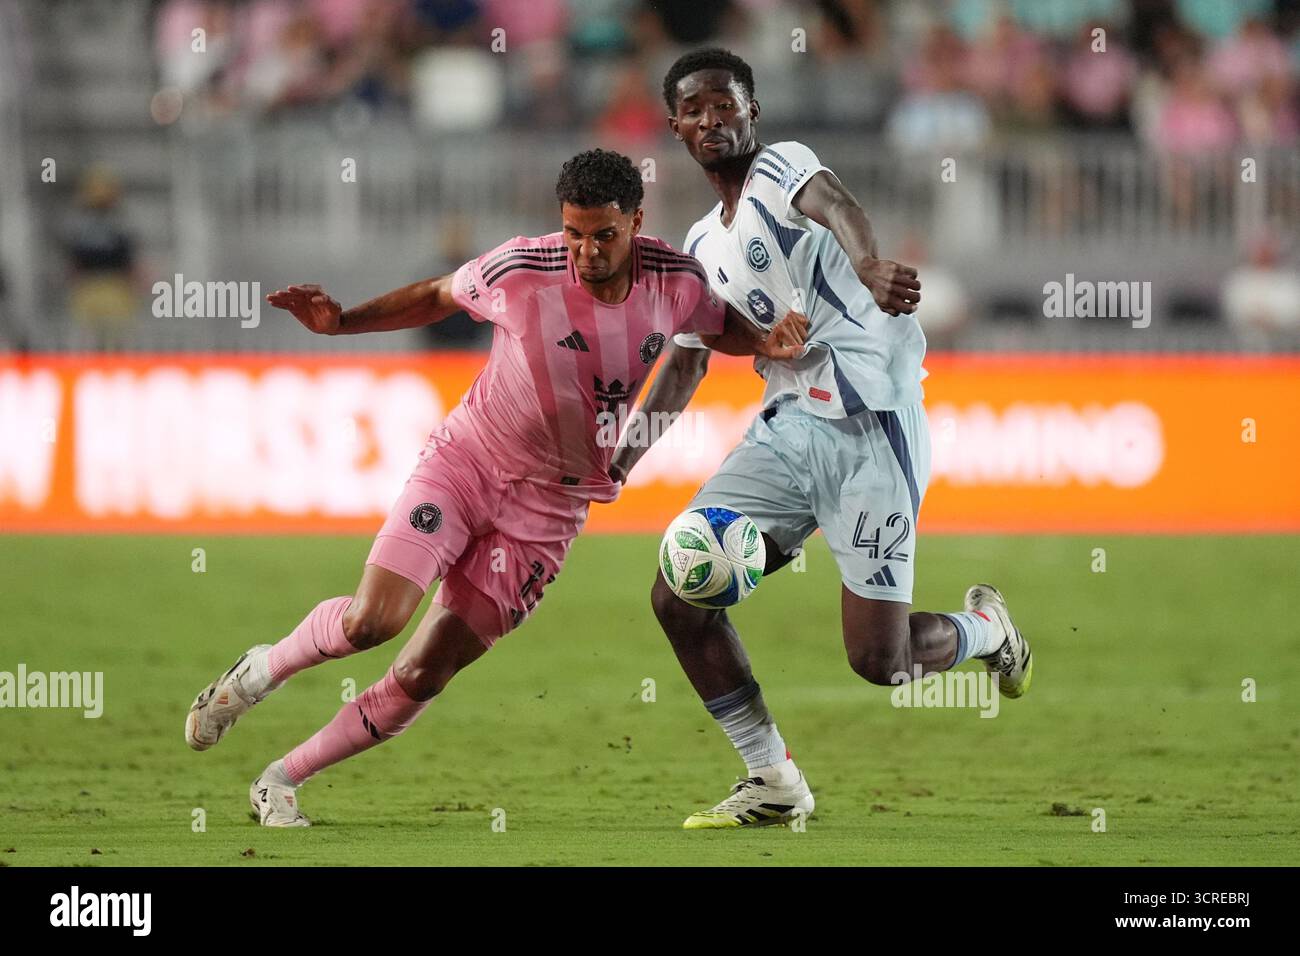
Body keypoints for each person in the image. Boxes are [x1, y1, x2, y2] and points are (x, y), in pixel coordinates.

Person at [183, 148, 808, 826]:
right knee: (372, 622)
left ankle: (281, 779)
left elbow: (717, 328)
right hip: (468, 464)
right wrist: (343, 322)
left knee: (424, 673)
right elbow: (437, 295)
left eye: (603, 234)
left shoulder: (676, 280)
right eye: (573, 232)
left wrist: (765, 341)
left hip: (551, 511)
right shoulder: (521, 269)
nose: (586, 251)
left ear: (636, 222)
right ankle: (259, 672)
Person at [611, 49, 1032, 829]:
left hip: (872, 429)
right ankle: (773, 779)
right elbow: (687, 362)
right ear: (675, 127)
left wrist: (868, 265)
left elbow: (837, 204)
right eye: (695, 110)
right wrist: (621, 459)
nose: (712, 119)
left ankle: (987, 630)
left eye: (726, 104)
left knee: (881, 662)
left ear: (753, 111)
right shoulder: (700, 246)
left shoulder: (782, 168)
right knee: (678, 594)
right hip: (787, 431)